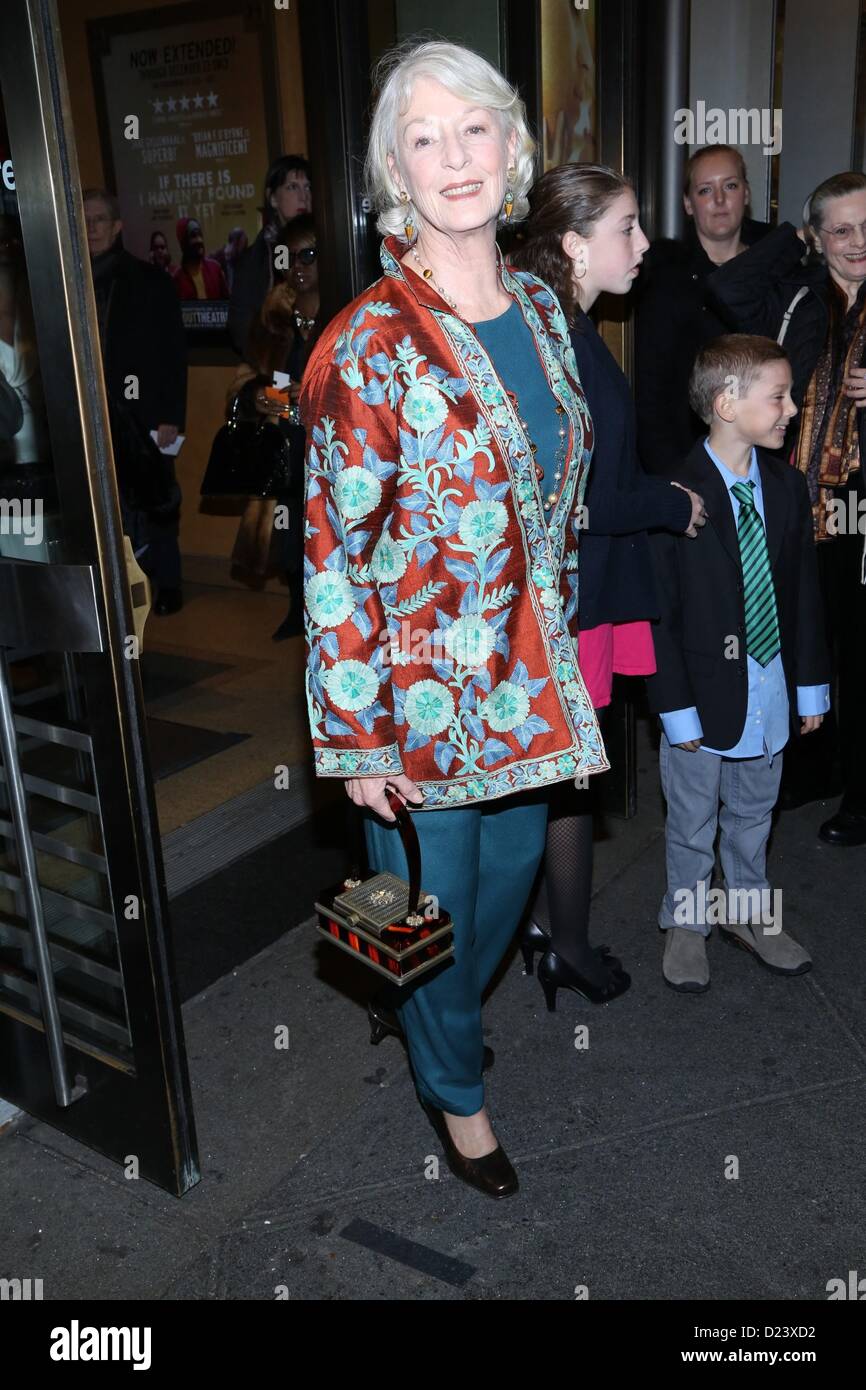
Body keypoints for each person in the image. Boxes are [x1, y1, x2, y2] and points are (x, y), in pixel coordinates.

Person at [300, 39, 607, 1198]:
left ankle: (413, 1000)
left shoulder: (537, 305)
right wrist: (357, 737)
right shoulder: (366, 340)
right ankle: (456, 1091)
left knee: (494, 893)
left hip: (526, 687)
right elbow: (331, 554)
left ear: (510, 144)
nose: (451, 156)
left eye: (470, 127)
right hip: (416, 693)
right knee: (429, 904)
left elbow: (554, 489)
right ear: (395, 170)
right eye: (419, 139)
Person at [511, 163, 706, 1008]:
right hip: (572, 598)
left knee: (563, 777)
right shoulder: (558, 336)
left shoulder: (570, 328)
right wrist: (670, 503)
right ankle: (566, 945)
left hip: (580, 593)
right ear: (572, 244)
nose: (645, 243)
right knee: (567, 780)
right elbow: (578, 500)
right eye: (626, 227)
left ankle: (551, 934)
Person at [646, 335, 829, 992]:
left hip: (769, 687)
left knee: (756, 813)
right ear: (727, 402)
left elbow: (803, 592)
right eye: (778, 397)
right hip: (699, 696)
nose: (792, 411)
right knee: (692, 820)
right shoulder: (671, 492)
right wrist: (673, 707)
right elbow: (658, 615)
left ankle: (749, 914)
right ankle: (688, 924)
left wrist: (810, 689)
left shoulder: (783, 488)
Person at [707, 172, 866, 842]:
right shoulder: (798, 292)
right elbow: (727, 290)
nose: (859, 242)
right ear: (818, 236)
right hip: (797, 498)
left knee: (859, 651)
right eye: (841, 228)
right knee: (803, 640)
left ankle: (860, 795)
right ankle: (814, 768)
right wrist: (790, 240)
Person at [83, 188, 187, 614]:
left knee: (156, 501)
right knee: (103, 505)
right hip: (90, 415)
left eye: (100, 220)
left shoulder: (150, 281)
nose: (91, 230)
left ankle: (168, 584)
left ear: (118, 226)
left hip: (144, 414)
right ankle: (112, 589)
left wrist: (170, 417)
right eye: (84, 221)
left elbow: (173, 354)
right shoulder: (68, 281)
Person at [636, 145, 768, 478]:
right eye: (706, 190)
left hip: (769, 457)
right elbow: (651, 391)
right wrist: (671, 478)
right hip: (688, 459)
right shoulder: (663, 278)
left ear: (747, 193)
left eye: (731, 186)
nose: (720, 200)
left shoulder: (777, 270)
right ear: (688, 204)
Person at [267, 213, 319, 641]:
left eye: (309, 255)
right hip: (284, 435)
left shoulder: (341, 313)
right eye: (289, 257)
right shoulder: (275, 316)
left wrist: (312, 391)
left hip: (323, 441)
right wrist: (263, 395)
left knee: (319, 523)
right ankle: (293, 607)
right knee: (287, 525)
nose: (297, 266)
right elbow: (258, 374)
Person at [228, 155, 312, 360]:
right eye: (292, 187)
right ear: (273, 198)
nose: (303, 196)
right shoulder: (260, 256)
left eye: (308, 187)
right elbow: (240, 328)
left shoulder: (329, 245)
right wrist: (270, 362)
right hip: (278, 368)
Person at [172, 217, 229, 300]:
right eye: (193, 236)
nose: (199, 240)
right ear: (184, 243)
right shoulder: (177, 279)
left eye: (200, 235)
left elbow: (228, 305)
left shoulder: (215, 269)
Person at [212, 226, 249, 294]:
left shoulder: (240, 258)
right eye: (241, 245)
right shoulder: (216, 259)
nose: (242, 249)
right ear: (233, 243)